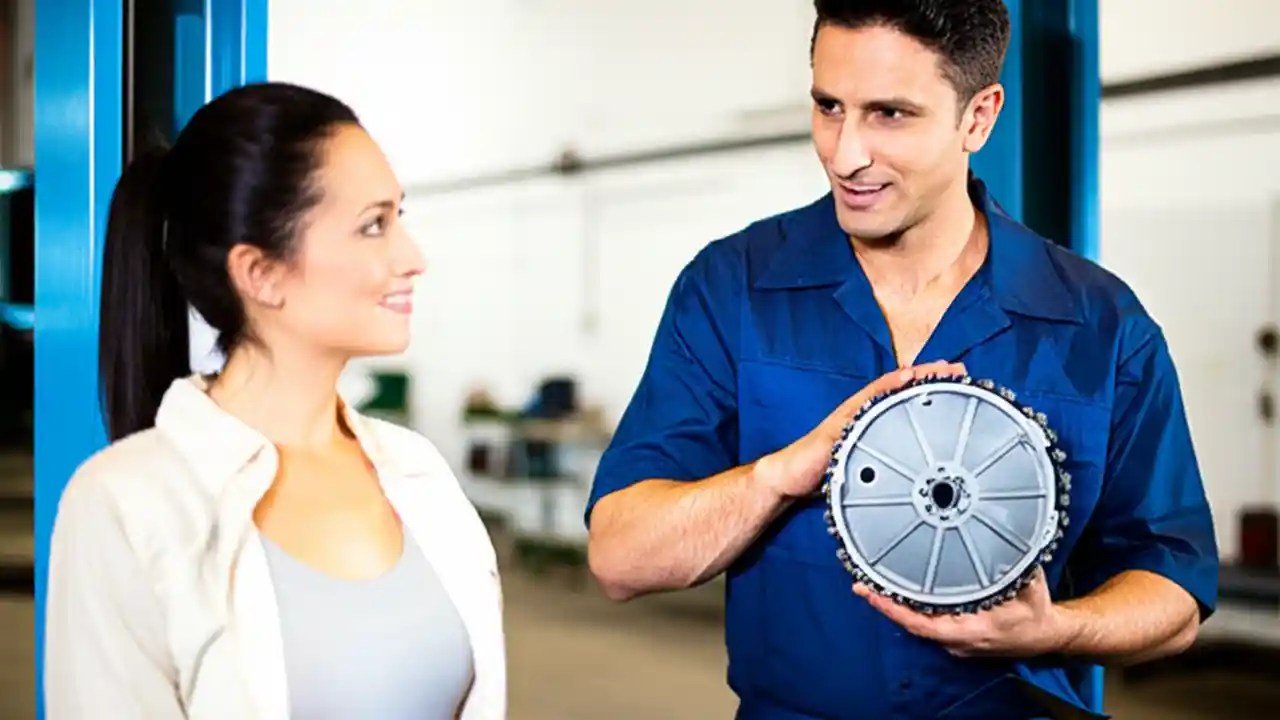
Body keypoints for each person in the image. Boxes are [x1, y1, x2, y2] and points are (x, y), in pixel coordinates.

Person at [584, 1, 1218, 718]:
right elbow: (619, 556)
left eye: (889, 114)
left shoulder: (1100, 326)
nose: (845, 153)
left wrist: (1055, 629)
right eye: (829, 106)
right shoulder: (734, 288)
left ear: (977, 118)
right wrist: (778, 477)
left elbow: (1174, 594)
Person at [43, 82, 505, 720]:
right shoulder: (125, 506)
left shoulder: (418, 473)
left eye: (401, 217)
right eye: (373, 226)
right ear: (260, 273)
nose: (413, 257)